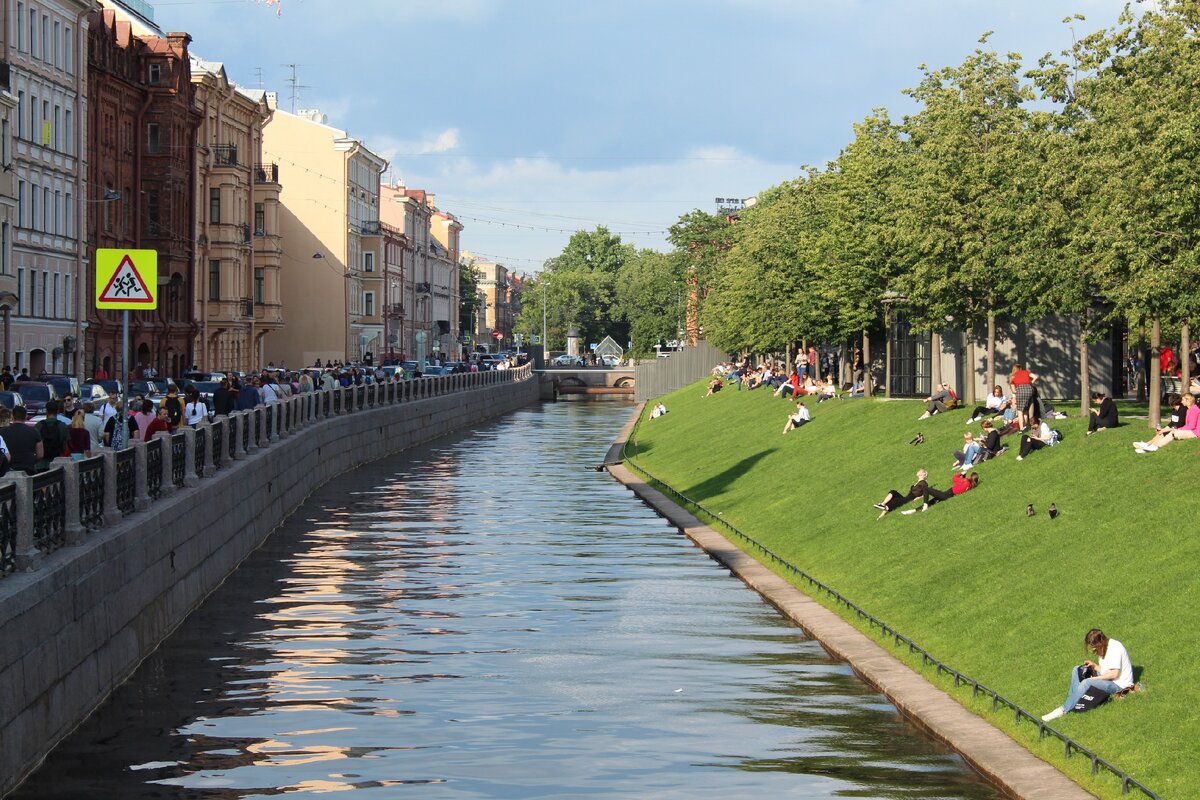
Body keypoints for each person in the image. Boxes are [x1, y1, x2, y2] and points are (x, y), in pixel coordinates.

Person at [1042, 628, 1134, 722]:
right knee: (1077, 669)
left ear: (1099, 642)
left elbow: (1114, 674)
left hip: (1118, 685)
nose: (1092, 648)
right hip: (1109, 680)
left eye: (1093, 645)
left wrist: (1096, 678)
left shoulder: (1115, 648)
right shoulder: (1103, 647)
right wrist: (1094, 666)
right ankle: (1072, 700)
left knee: (1087, 682)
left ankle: (1063, 710)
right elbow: (1105, 671)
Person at [1134, 392, 1199, 452]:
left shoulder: (1194, 410)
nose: (1181, 402)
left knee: (1173, 433)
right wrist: (1165, 429)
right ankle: (1150, 446)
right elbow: (1175, 423)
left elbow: (1191, 426)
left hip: (1195, 432)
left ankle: (1153, 446)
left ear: (1188, 401)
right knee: (1169, 432)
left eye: (1183, 400)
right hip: (1190, 430)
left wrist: (1176, 429)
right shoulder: (1190, 410)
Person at [0, 406, 41, 474]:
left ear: (12, 416)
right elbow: (40, 455)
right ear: (26, 416)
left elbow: (6, 457)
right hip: (29, 469)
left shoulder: (2, 432)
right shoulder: (34, 431)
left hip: (9, 471)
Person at [34, 401, 70, 471]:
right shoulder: (62, 426)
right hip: (57, 464)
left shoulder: (39, 425)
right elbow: (65, 446)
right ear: (57, 411)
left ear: (46, 411)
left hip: (40, 464)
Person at [1009, 364, 1038, 430]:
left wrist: (1018, 391)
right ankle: (1026, 424)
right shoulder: (1026, 372)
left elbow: (1013, 391)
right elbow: (1035, 377)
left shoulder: (1013, 377)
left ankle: (1022, 428)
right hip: (1030, 389)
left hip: (1020, 390)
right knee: (1025, 409)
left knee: (1020, 411)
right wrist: (1030, 383)